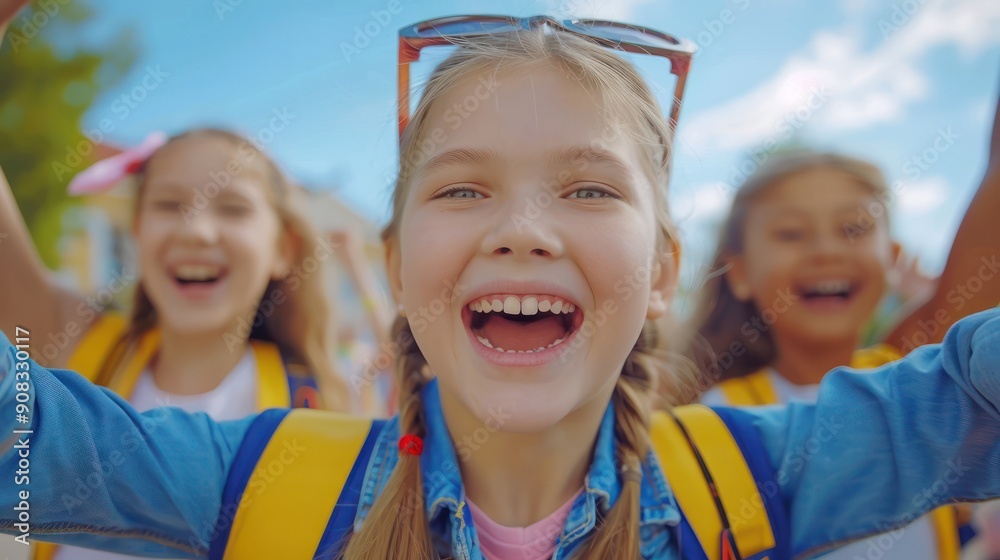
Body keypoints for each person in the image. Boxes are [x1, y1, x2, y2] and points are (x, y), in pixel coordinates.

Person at [1, 24, 999, 560]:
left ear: (658, 269)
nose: (522, 226)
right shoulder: (257, 477)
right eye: (464, 187)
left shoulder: (767, 471)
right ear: (397, 266)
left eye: (588, 187)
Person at [688, 92, 999, 559]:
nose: (825, 251)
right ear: (741, 272)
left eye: (854, 229)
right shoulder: (712, 420)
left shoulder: (925, 378)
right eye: (791, 233)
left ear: (891, 258)